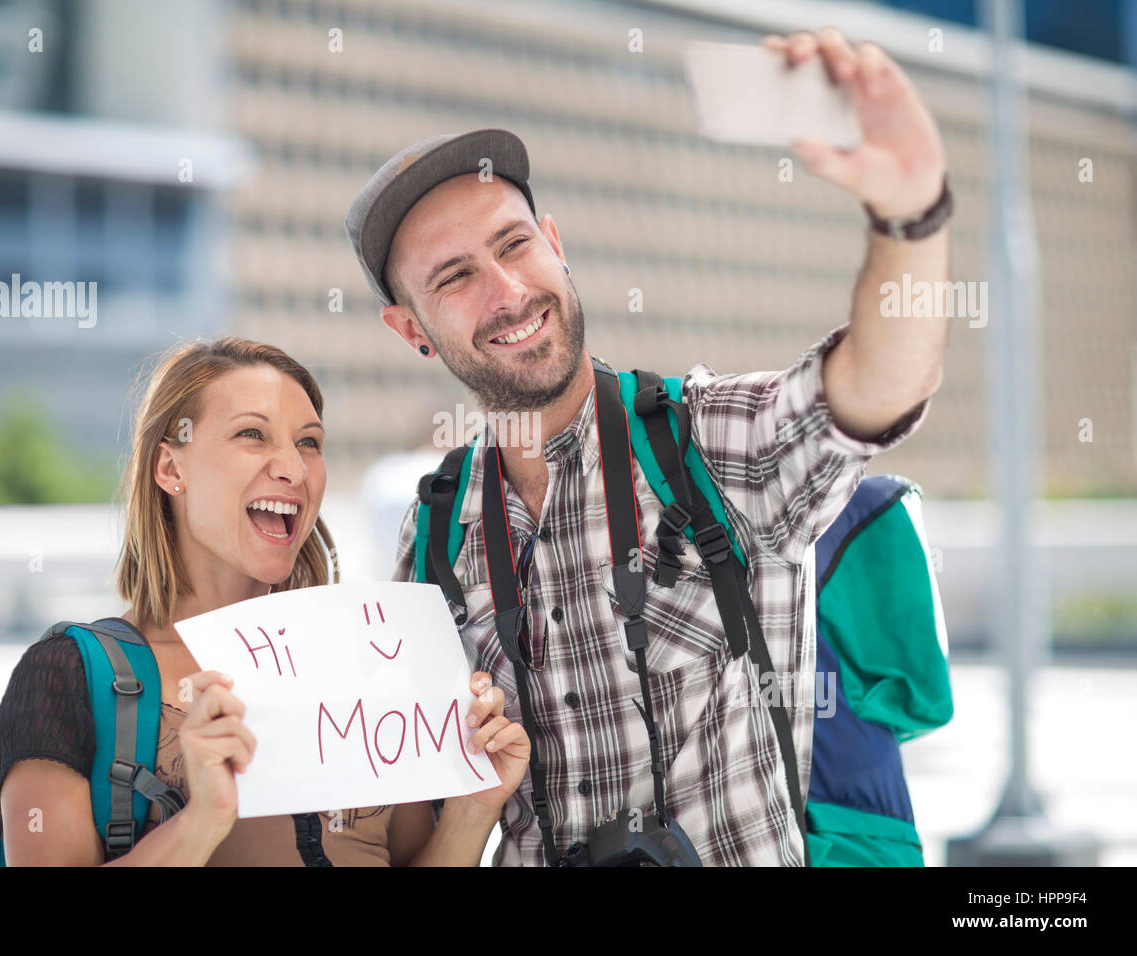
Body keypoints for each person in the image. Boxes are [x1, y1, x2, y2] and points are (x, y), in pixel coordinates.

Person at [345, 29, 950, 865]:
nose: (508, 290)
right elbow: (412, 817)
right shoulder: (434, 537)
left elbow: (874, 390)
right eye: (454, 277)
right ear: (410, 329)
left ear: (554, 243)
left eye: (515, 245)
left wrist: (911, 217)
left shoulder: (708, 444)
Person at [0, 337, 530, 865]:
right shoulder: (68, 676)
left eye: (309, 442)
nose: (293, 468)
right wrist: (202, 820)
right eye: (252, 434)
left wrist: (473, 808)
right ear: (171, 469)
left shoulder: (375, 665)